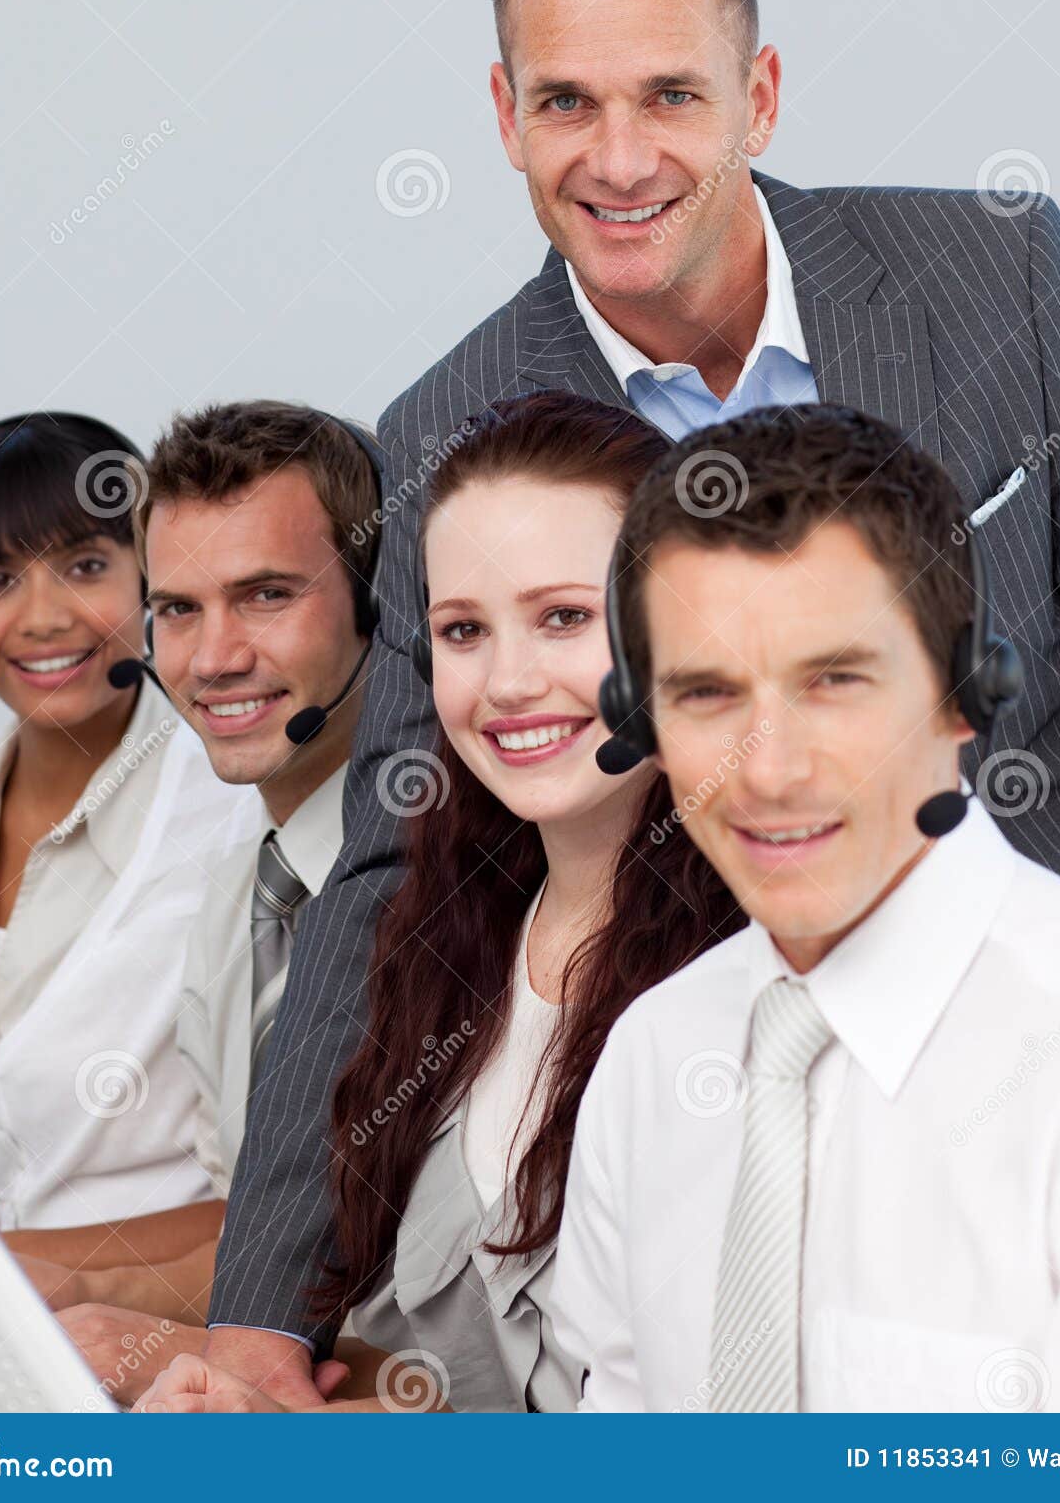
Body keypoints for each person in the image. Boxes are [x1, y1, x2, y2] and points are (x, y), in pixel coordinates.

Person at [205, 0, 1060, 1395]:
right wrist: (265, 1314)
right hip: (718, 1099)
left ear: (761, 94)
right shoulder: (448, 435)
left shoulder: (1007, 289)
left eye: (671, 94)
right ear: (506, 118)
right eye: (569, 103)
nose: (623, 155)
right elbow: (393, 857)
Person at [548, 405, 1060, 1412]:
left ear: (965, 694)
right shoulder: (651, 1060)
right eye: (707, 694)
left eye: (835, 681)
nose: (767, 771)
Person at [135, 393, 745, 1412]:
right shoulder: (438, 939)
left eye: (562, 617)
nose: (506, 680)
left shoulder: (738, 983)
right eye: (463, 629)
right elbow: (420, 1358)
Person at [0, 412, 260, 1275]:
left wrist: (3, 1268)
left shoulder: (232, 808)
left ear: (153, 582)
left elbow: (272, 1204)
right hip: (12, 1314)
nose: (41, 618)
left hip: (181, 1334)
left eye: (85, 567)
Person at [52, 402, 380, 1404]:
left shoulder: (459, 897)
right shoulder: (242, 891)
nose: (211, 658)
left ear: (384, 598)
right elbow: (262, 1226)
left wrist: (155, 1345)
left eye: (267, 594)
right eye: (180, 608)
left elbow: (460, 1327)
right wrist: (81, 1292)